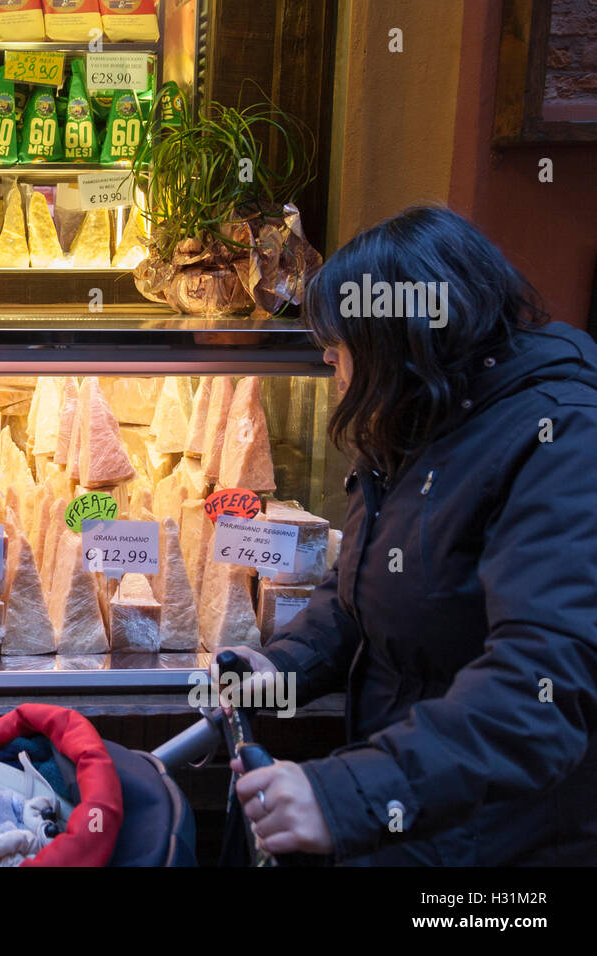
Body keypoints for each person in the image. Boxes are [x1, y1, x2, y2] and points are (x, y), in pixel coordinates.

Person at [223, 206, 597, 865]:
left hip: (507, 839)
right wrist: (280, 666)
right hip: (419, 818)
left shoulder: (562, 442)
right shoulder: (424, 415)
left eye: (340, 356)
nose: (335, 378)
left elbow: (539, 690)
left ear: (402, 344)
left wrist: (346, 797)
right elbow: (371, 590)